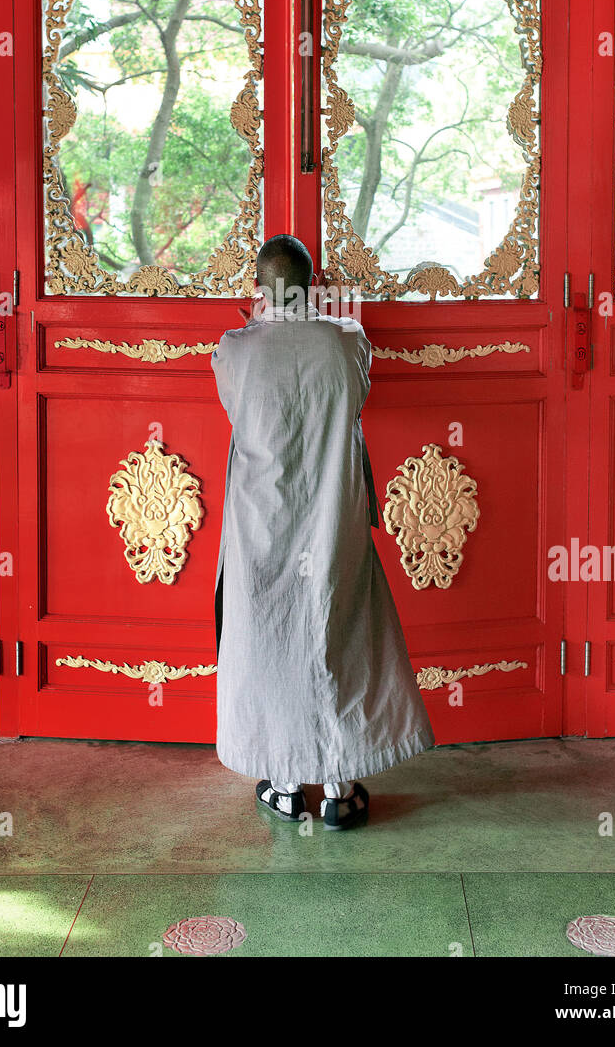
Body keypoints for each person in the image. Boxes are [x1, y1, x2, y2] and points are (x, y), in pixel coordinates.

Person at [210, 232, 435, 831]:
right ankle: (339, 786)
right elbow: (358, 387)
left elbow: (238, 406)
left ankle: (285, 786)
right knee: (335, 632)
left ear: (258, 289)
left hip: (264, 523)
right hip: (332, 518)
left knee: (273, 641)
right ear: (313, 285)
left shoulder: (235, 352)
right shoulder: (347, 343)